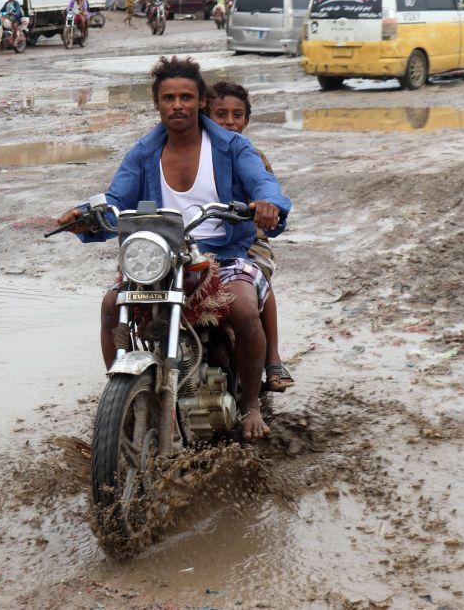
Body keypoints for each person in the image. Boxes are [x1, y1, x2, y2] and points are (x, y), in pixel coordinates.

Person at [53, 56, 292, 441]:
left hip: (225, 253)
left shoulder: (233, 147)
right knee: (111, 306)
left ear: (199, 102)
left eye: (185, 97)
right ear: (157, 103)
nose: (176, 105)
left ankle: (250, 404)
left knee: (245, 308)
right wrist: (85, 215)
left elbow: (264, 184)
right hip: (162, 254)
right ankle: (119, 398)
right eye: (168, 98)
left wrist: (267, 205)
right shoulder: (143, 154)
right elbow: (115, 199)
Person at [205, 81, 293, 392]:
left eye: (237, 115)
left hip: (250, 239)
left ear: (246, 120)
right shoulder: (193, 151)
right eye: (220, 114)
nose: (229, 121)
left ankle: (273, 356)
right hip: (199, 240)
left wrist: (266, 209)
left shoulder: (251, 155)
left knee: (258, 280)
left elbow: (267, 188)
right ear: (205, 115)